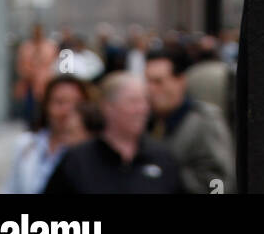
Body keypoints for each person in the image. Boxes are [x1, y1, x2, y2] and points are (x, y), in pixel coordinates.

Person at [44, 72, 181, 195]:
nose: (142, 109)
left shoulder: (163, 158)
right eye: (133, 102)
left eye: (145, 101)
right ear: (107, 107)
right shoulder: (78, 161)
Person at [146, 47, 235, 194]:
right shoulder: (148, 122)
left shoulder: (204, 122)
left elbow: (221, 182)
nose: (150, 89)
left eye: (158, 82)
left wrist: (173, 174)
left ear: (180, 81)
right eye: (148, 81)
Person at [4, 74, 91, 194]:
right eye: (60, 103)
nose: (67, 111)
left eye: (76, 104)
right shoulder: (27, 145)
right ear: (46, 106)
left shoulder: (94, 150)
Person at [15, 24, 57, 128]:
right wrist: (29, 73)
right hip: (29, 85)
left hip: (46, 85)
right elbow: (21, 65)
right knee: (30, 112)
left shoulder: (50, 47)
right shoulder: (26, 47)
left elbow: (54, 65)